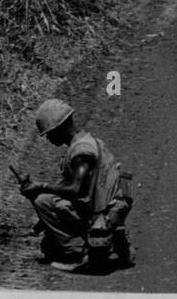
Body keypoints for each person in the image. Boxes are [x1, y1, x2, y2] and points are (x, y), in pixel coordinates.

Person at [20, 99, 133, 271]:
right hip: (114, 204)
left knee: (43, 201)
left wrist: (41, 187)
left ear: (60, 127)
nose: (48, 138)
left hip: (104, 209)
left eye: (49, 133)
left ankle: (82, 253)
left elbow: (74, 189)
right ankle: (112, 240)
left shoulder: (81, 152)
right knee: (48, 245)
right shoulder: (87, 141)